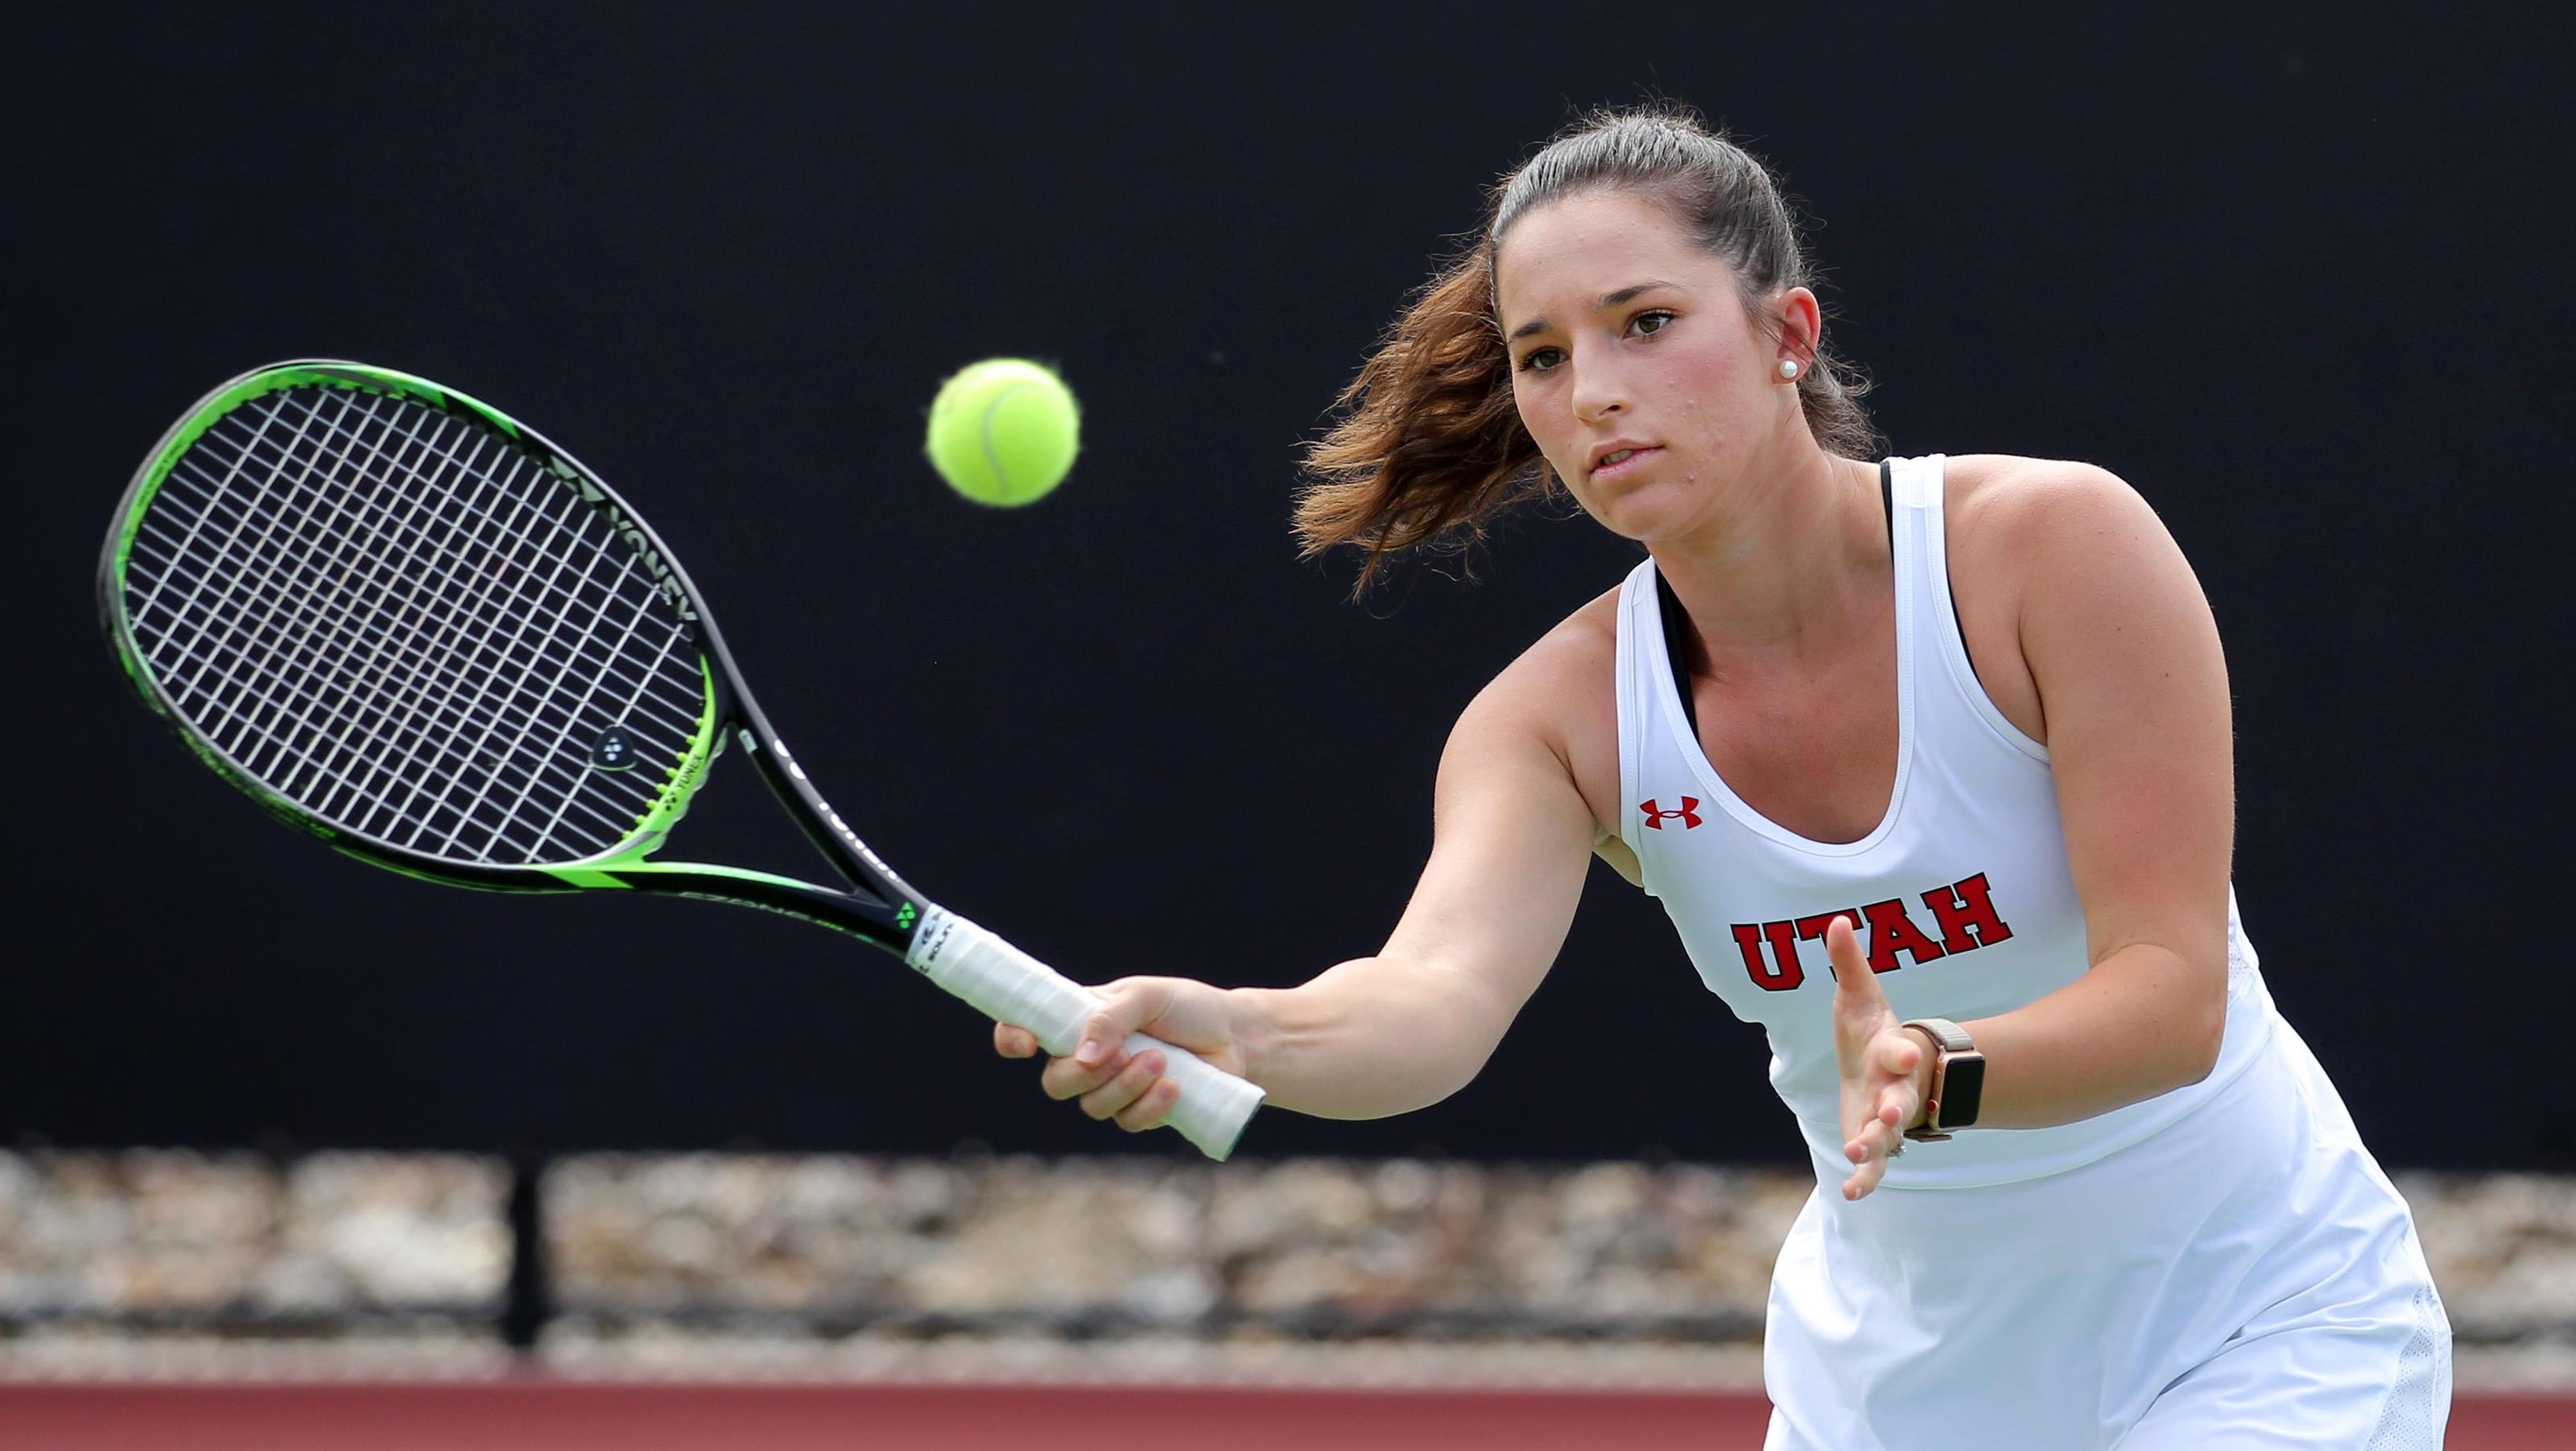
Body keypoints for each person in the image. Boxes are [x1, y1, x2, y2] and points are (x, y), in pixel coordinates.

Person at [993, 106, 2450, 1449]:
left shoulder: (2054, 552)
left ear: (1785, 334)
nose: (1595, 394)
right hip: (1895, 1395)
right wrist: (1244, 1031)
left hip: (2261, 1332)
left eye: (1646, 324)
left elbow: (2173, 991)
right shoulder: (1555, 722)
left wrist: (1941, 1068)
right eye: (1545, 355)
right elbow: (1430, 1003)